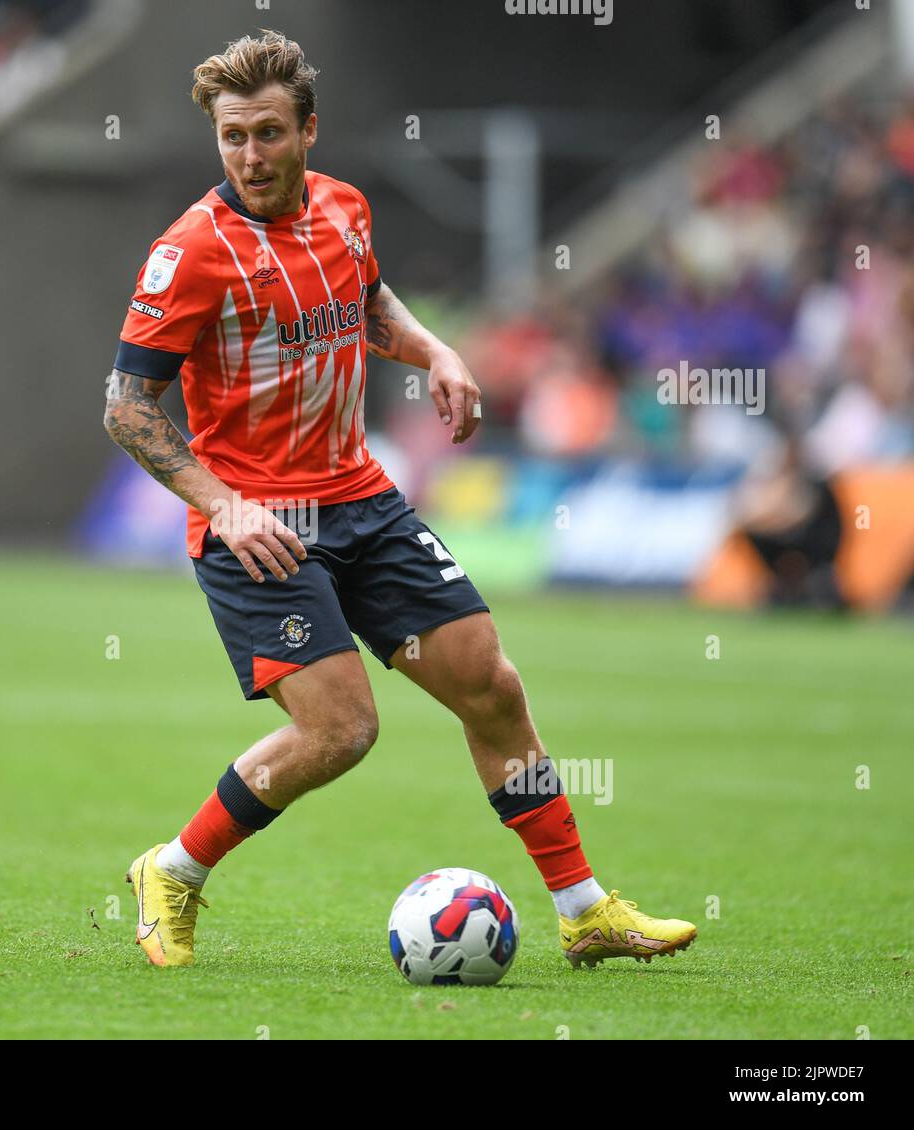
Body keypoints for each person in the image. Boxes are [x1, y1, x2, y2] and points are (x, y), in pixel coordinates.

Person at [103, 31, 696, 970]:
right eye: (231, 138)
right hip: (259, 528)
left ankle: (585, 912)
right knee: (342, 730)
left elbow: (371, 306)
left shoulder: (345, 209)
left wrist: (438, 352)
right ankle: (172, 871)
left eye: (266, 134)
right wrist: (222, 505)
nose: (249, 157)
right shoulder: (190, 253)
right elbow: (126, 406)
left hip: (364, 501)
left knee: (492, 688)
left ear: (308, 131)